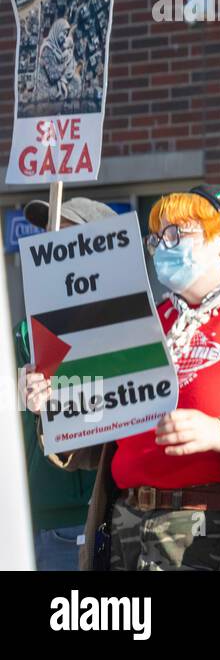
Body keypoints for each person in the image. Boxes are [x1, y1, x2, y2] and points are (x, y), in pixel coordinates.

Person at [22, 185, 220, 570]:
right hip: (128, 528)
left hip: (216, 530)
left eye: (176, 233)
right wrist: (56, 404)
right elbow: (97, 438)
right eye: (157, 237)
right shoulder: (151, 318)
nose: (162, 245)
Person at [15, 197, 117, 570]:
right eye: (46, 234)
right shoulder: (24, 329)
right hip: (26, 518)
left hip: (85, 517)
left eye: (63, 237)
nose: (47, 245)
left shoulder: (120, 328)